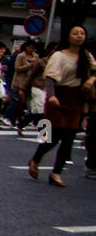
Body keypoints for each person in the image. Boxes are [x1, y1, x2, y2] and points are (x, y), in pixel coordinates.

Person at [28, 25, 94, 187]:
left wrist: (91, 80)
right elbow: (50, 78)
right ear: (68, 37)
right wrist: (51, 96)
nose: (79, 36)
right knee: (52, 137)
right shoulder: (59, 55)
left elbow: (94, 70)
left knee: (68, 138)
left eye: (82, 33)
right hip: (57, 97)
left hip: (76, 98)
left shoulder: (86, 56)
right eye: (75, 33)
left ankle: (56, 173)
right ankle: (35, 159)